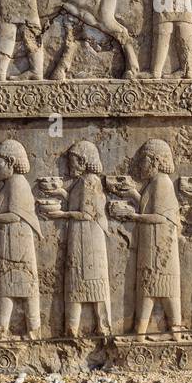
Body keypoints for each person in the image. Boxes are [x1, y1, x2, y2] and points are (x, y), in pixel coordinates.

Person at [112, 139, 184, 340]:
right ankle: (140, 334)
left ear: (154, 161)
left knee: (165, 289)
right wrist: (133, 194)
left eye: (143, 161)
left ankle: (175, 333)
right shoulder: (155, 183)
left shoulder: (162, 183)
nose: (140, 166)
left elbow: (161, 217)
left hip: (161, 246)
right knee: (148, 289)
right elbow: (149, 206)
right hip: (151, 244)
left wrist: (132, 216)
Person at [40, 141, 113, 338]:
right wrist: (61, 193)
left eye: (71, 160)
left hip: (88, 236)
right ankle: (72, 329)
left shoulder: (90, 181)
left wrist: (60, 215)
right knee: (77, 282)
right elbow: (79, 203)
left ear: (82, 161)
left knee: (92, 281)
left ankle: (101, 328)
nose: (69, 165)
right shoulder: (84, 182)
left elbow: (86, 214)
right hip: (80, 234)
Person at [0, 139, 43, 340]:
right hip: (10, 238)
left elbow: (15, 215)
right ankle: (3, 331)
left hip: (16, 239)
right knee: (7, 285)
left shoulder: (18, 183)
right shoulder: (10, 184)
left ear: (11, 162)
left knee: (22, 286)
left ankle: (31, 332)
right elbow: (7, 204)